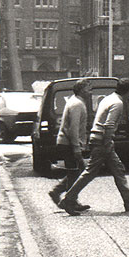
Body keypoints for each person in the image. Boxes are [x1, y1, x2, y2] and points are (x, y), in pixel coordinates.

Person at [60, 78, 129, 215]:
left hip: (98, 138)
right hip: (102, 141)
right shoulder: (118, 103)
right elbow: (109, 125)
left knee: (118, 168)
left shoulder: (108, 98)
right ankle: (68, 199)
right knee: (90, 172)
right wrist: (108, 142)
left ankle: (128, 199)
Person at [47, 79, 93, 210]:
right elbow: (73, 128)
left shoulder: (76, 102)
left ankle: (61, 194)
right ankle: (69, 201)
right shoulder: (76, 104)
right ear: (81, 90)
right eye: (88, 89)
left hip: (69, 143)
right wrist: (76, 148)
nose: (90, 92)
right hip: (68, 144)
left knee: (77, 172)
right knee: (75, 172)